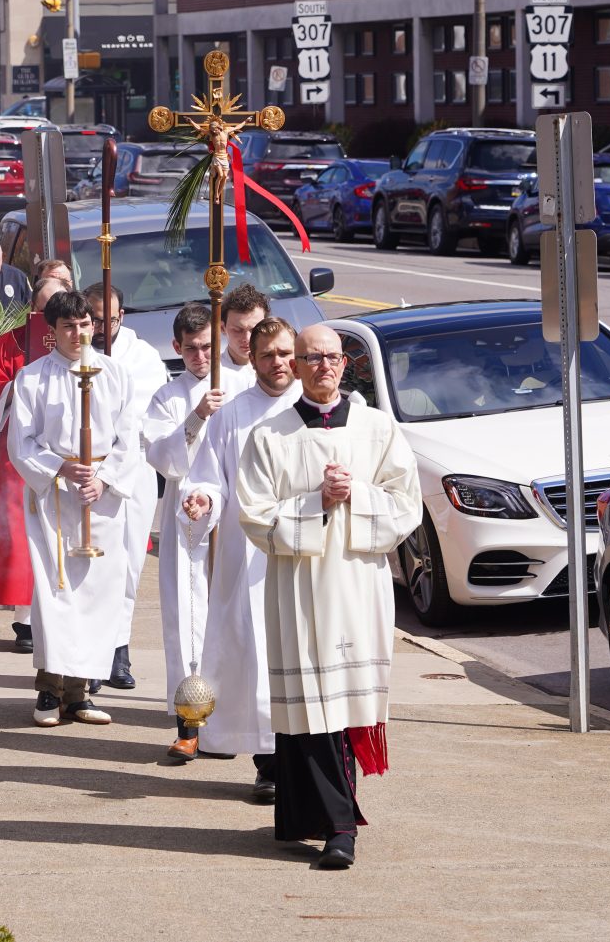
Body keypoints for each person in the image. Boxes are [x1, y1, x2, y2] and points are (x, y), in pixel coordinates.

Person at [235, 324, 422, 870]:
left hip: (358, 586)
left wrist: (354, 494)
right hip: (299, 590)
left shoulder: (377, 429)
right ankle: (334, 824)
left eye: (333, 358)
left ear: (346, 365)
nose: (323, 367)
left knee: (338, 709)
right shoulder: (269, 436)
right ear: (295, 366)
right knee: (310, 711)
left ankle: (322, 822)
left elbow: (406, 505)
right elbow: (254, 515)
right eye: (312, 358)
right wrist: (315, 501)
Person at [176, 317, 302, 780]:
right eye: (267, 354)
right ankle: (269, 763)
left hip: (307, 552)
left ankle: (307, 763)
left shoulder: (314, 407)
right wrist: (204, 498)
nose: (278, 363)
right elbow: (211, 474)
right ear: (253, 357)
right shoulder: (231, 413)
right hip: (248, 555)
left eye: (286, 353)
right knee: (258, 660)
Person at [8, 289, 140, 727]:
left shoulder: (116, 374)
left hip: (99, 500)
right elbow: (20, 444)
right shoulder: (31, 379)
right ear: (53, 331)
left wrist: (103, 480)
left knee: (96, 598)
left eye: (85, 324)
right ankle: (49, 691)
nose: (79, 333)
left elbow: (129, 440)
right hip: (53, 501)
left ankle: (81, 692)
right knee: (54, 596)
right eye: (69, 326)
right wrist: (60, 468)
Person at [142, 303, 255, 760]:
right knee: (188, 623)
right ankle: (189, 724)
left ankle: (238, 723)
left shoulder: (245, 384)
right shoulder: (168, 397)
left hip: (236, 522)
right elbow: (164, 460)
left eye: (208, 346)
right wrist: (196, 417)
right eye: (191, 349)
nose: (201, 356)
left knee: (237, 623)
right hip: (188, 523)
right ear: (177, 348)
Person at [0, 276, 67, 652]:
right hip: (19, 457)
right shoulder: (9, 343)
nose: (51, 316)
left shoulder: (77, 344)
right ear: (33, 309)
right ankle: (24, 621)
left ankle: (59, 616)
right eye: (44, 308)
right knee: (23, 537)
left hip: (66, 457)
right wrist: (18, 383)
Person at [84, 281, 168, 692]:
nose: (102, 327)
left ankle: (119, 651)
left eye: (109, 319)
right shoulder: (72, 351)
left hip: (132, 469)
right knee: (94, 564)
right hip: (86, 473)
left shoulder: (143, 355)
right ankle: (93, 656)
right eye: (94, 319)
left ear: (122, 316)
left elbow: (139, 415)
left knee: (130, 563)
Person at [221, 283, 269, 378]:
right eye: (237, 330)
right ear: (222, 328)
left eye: (255, 330)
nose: (247, 339)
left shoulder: (280, 368)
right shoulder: (211, 374)